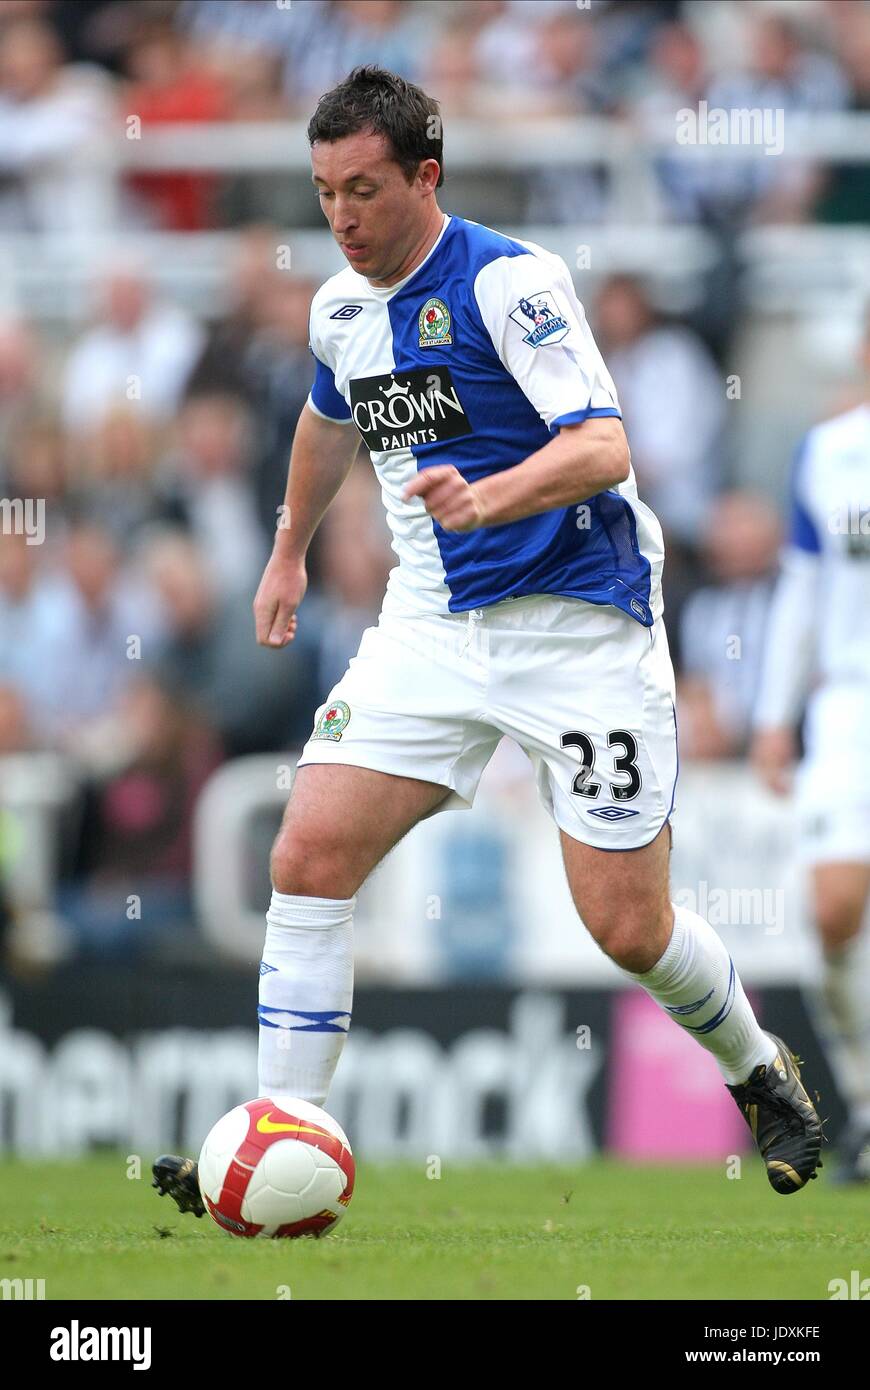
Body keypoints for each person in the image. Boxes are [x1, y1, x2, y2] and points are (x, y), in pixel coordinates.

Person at [153, 66, 821, 1218]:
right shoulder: (340, 309)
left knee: (627, 925)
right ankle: (276, 1139)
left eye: (365, 188)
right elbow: (327, 423)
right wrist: (287, 551)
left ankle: (758, 1069)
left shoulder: (512, 281)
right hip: (434, 623)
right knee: (307, 854)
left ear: (427, 174)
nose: (344, 218)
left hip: (579, 626)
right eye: (324, 193)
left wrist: (496, 495)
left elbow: (606, 447)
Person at [752, 319, 870, 1183]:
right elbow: (800, 589)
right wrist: (771, 715)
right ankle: (864, 1102)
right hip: (849, 702)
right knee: (833, 912)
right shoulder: (829, 453)